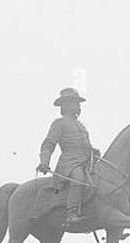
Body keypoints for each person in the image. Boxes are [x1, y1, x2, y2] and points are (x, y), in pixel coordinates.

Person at [37, 87, 96, 229]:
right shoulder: (60, 123)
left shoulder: (81, 125)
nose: (79, 107)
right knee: (78, 178)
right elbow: (49, 144)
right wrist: (44, 162)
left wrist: (94, 151)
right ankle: (71, 214)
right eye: (76, 103)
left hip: (86, 161)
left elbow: (86, 145)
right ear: (68, 105)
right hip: (70, 163)